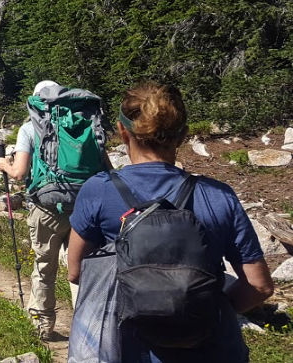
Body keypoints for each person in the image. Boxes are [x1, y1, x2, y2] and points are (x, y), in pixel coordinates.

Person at [67, 82, 273, 362]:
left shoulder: (99, 190)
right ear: (183, 136)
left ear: (122, 131)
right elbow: (259, 286)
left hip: (130, 347)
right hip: (214, 350)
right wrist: (206, 309)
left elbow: (77, 272)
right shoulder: (218, 196)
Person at [0, 79, 76, 340]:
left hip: (45, 207)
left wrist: (2, 165)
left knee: (44, 266)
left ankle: (44, 325)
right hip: (81, 205)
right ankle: (88, 324)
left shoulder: (29, 129)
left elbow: (19, 173)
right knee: (81, 268)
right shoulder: (78, 127)